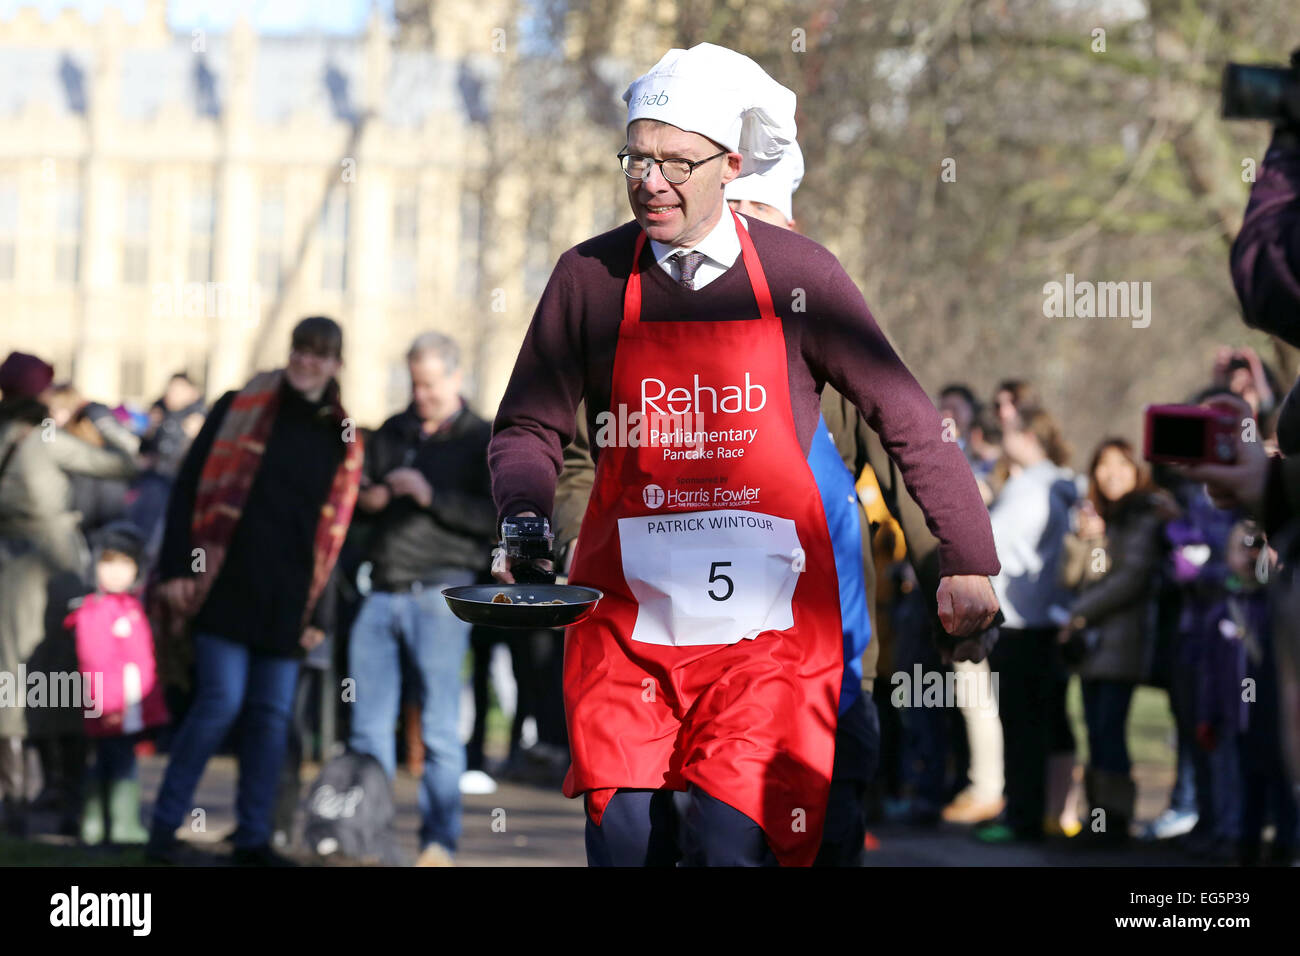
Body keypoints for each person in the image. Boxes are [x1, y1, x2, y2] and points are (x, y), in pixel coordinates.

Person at [489, 43, 1000, 867]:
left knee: (733, 849)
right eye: (636, 158)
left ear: (729, 166)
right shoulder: (587, 278)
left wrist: (964, 557)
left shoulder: (801, 274)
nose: (649, 180)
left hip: (767, 637)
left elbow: (902, 415)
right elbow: (528, 426)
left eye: (674, 162)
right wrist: (523, 521)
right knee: (624, 847)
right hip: (628, 627)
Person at [146, 317, 363, 866]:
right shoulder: (239, 405)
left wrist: (320, 611)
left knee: (270, 717)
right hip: (225, 582)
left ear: (337, 363)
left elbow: (334, 536)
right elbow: (190, 487)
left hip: (290, 597)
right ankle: (164, 828)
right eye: (300, 349)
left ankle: (252, 838)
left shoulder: (340, 433)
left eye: (320, 353)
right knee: (219, 703)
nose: (307, 361)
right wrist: (177, 566)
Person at [347, 331, 496, 867]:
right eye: (415, 384)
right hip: (382, 589)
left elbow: (490, 518)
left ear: (455, 378)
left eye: (431, 384)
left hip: (442, 590)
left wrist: (432, 498)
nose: (422, 394)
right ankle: (370, 839)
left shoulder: (481, 437)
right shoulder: (392, 431)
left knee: (438, 728)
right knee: (368, 728)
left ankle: (439, 844)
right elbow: (357, 508)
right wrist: (374, 497)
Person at [0, 352, 139, 836]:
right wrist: (103, 420)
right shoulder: (45, 440)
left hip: (6, 570)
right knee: (67, 677)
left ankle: (14, 804)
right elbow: (123, 465)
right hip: (55, 568)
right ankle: (71, 801)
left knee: (12, 680)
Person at [1058, 439, 1168, 846]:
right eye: (1102, 466)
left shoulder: (1143, 516)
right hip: (1091, 648)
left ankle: (1113, 823)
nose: (1111, 474)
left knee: (1109, 731)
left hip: (1121, 642)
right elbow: (1069, 577)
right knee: (1095, 732)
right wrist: (1085, 537)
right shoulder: (1102, 519)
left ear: (1135, 469)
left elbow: (1129, 580)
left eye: (1120, 465)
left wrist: (1079, 614)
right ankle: (1098, 820)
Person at [976, 409, 1077, 844]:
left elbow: (989, 543)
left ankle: (1022, 816)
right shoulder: (1060, 485)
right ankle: (1032, 811)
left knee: (1020, 726)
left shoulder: (1030, 490)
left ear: (1031, 436)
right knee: (1039, 723)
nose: (1004, 438)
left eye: (1012, 431)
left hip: (1018, 623)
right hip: (1041, 620)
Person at [65, 521, 168, 844]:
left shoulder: (132, 608)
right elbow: (95, 663)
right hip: (112, 708)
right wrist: (109, 706)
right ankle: (116, 825)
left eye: (125, 564)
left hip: (130, 707)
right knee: (117, 764)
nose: (115, 573)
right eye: (108, 563)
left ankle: (103, 823)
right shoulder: (95, 613)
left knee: (117, 761)